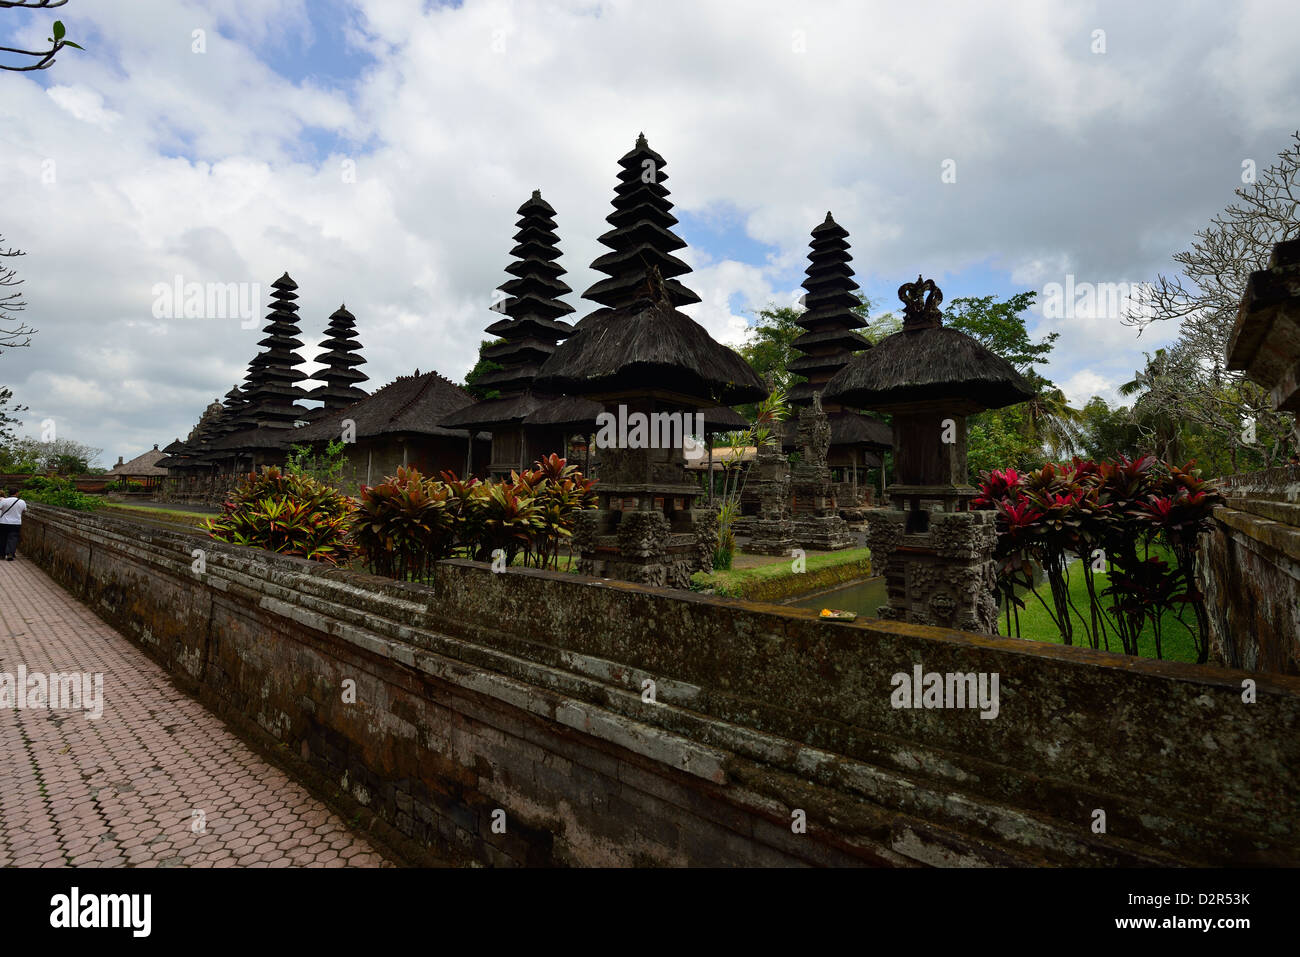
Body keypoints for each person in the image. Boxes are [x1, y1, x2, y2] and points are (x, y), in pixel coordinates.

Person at [0, 488, 27, 561]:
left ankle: (2, 554)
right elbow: (24, 511)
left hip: (4, 522)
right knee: (13, 538)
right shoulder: (22, 502)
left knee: (3, 538)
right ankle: (10, 554)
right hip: (16, 523)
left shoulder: (4, 501)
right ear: (17, 493)